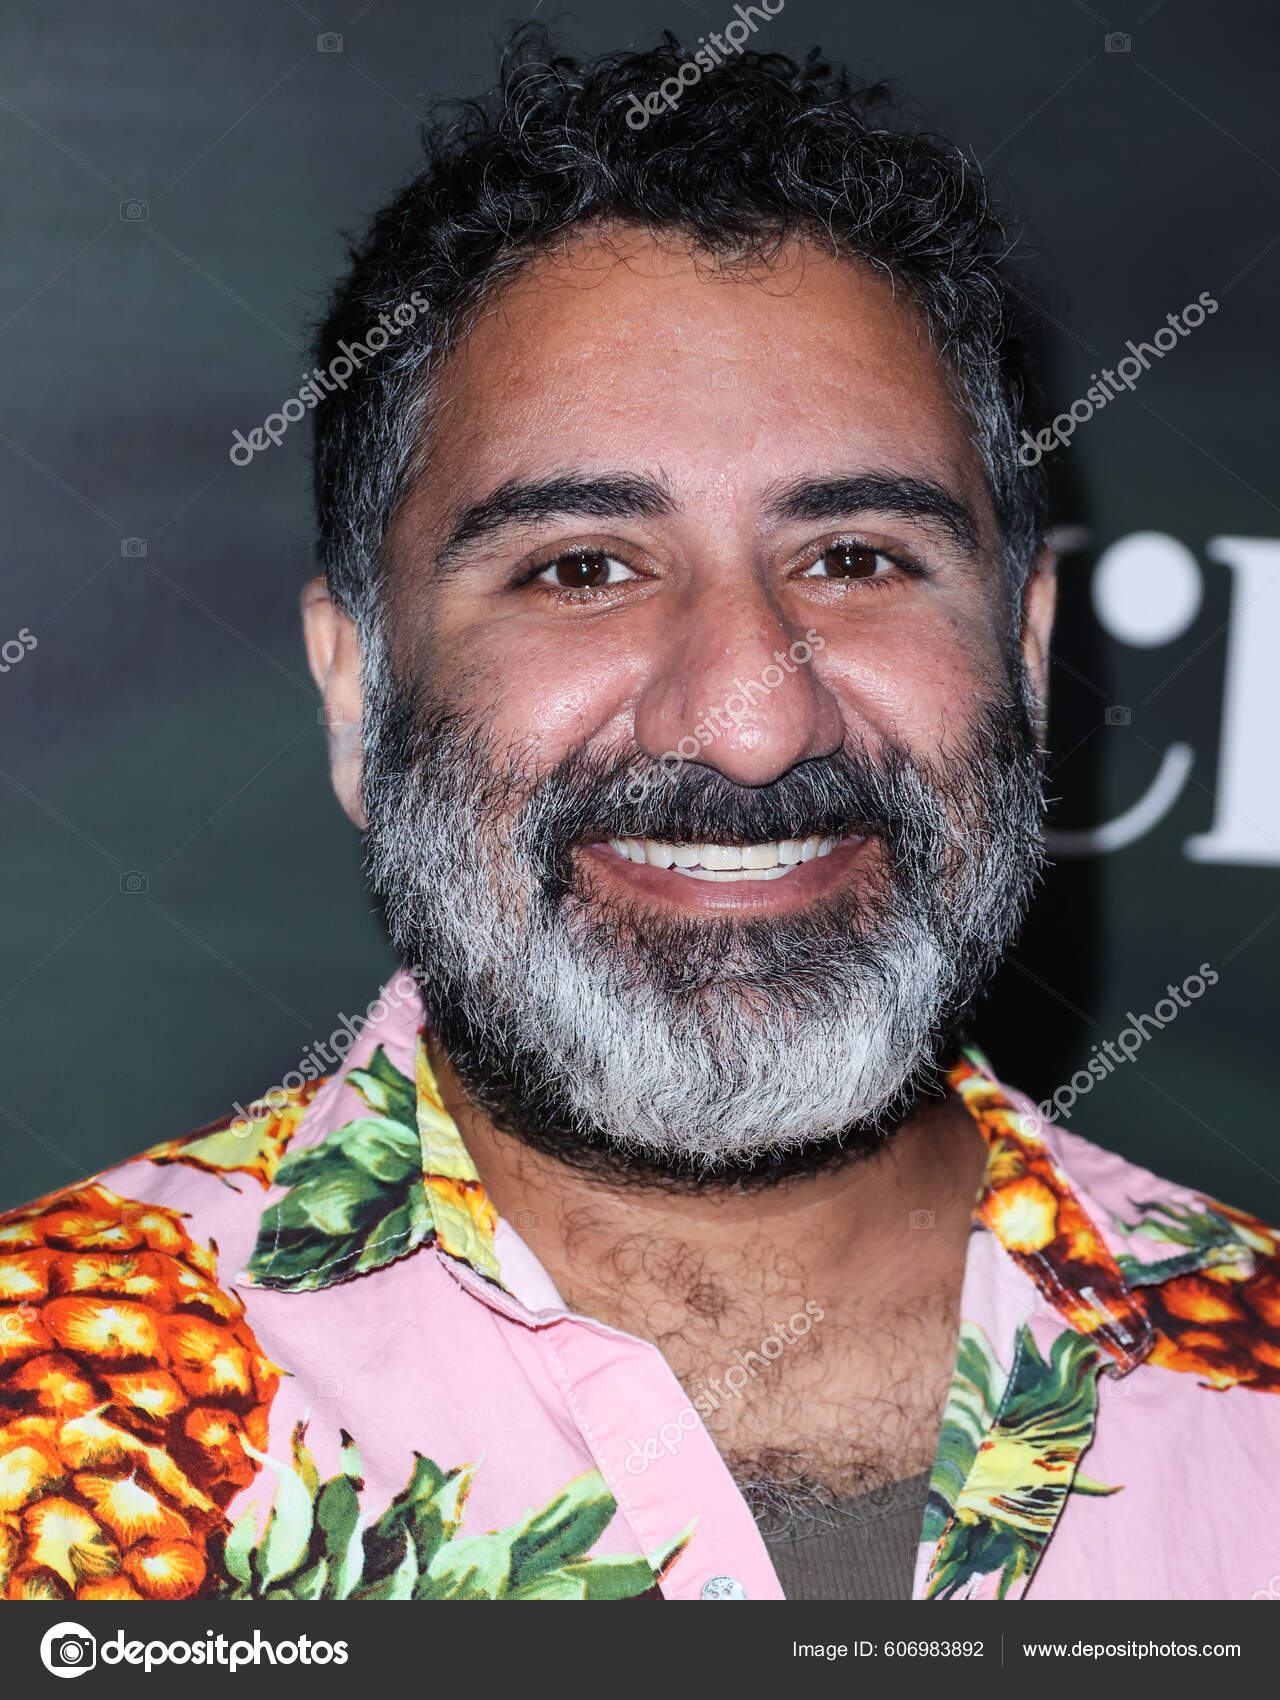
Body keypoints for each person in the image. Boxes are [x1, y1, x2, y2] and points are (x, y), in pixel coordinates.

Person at [2, 32, 1276, 1605]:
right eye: (583, 567)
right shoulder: (39, 1410)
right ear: (355, 691)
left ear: (1022, 652)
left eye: (857, 558)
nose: (748, 721)